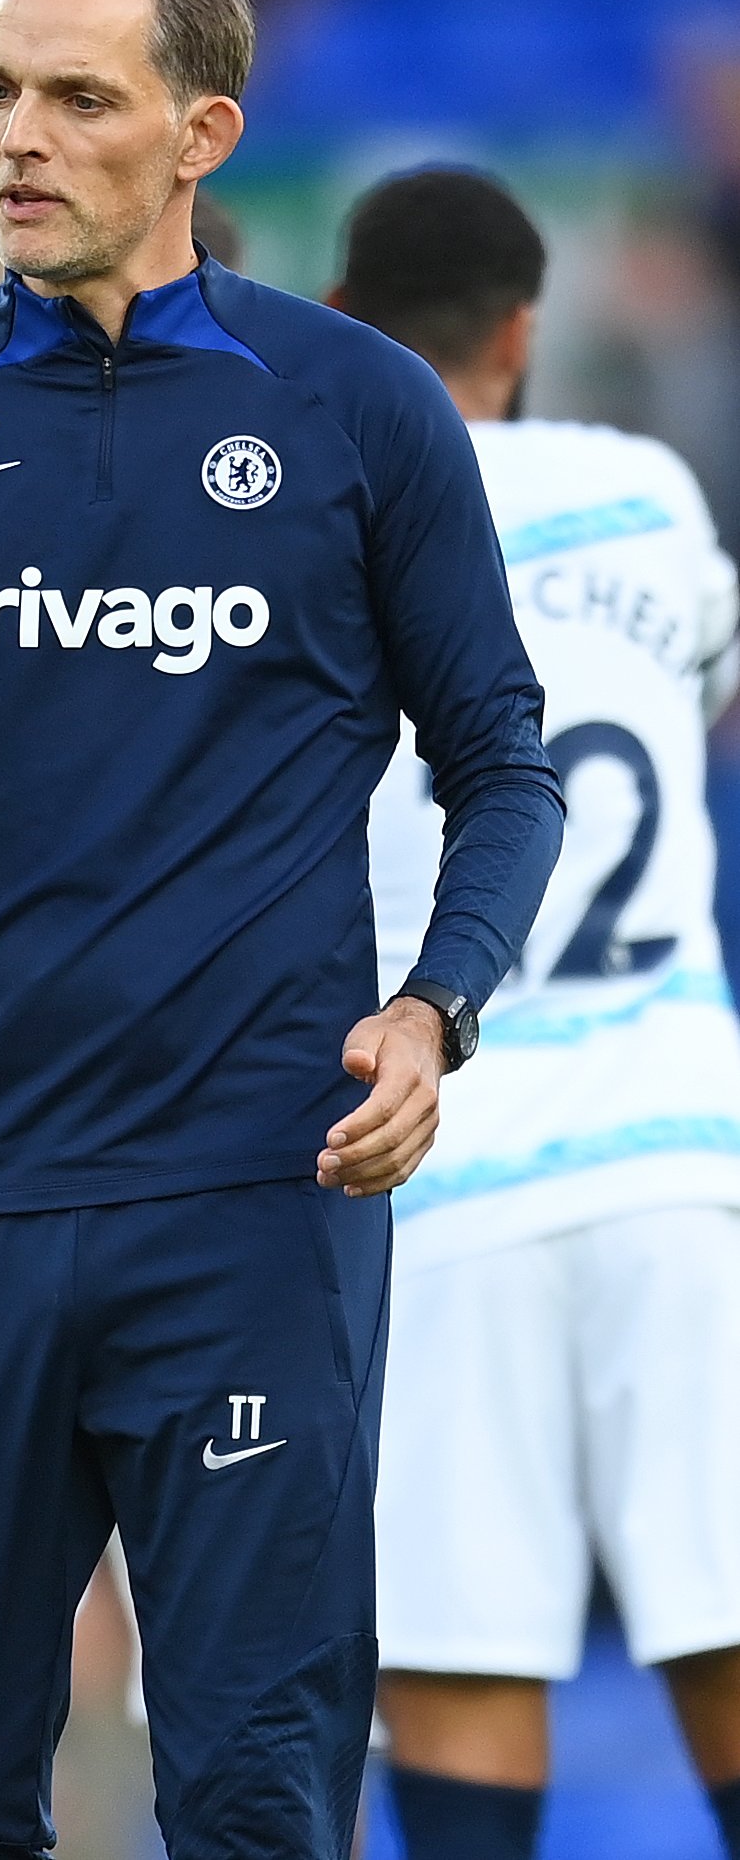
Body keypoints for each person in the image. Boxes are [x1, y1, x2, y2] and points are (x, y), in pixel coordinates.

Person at [0, 0, 565, 1860]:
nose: (15, 137)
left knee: (256, 1808)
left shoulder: (357, 411)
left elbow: (502, 765)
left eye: (75, 98)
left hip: (250, 1213)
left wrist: (433, 1008)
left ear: (202, 135)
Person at [343, 167, 740, 1860]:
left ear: (346, 327)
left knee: (462, 1657)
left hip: (441, 1152)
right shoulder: (642, 490)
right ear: (520, 327)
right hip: (678, 1151)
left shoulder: (331, 510)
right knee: (724, 1623)